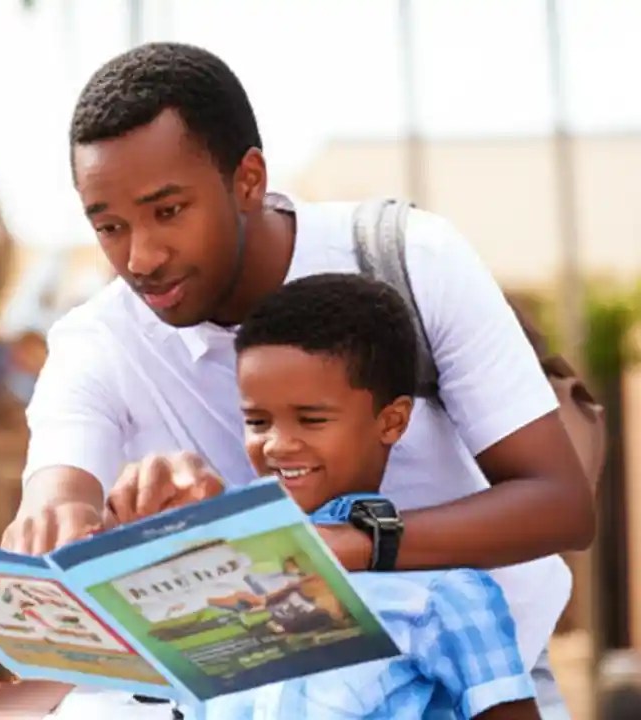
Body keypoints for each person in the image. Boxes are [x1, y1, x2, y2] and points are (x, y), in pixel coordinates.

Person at [0, 42, 593, 718]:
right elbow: (57, 502)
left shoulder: (409, 259)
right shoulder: (96, 342)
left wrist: (339, 545)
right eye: (109, 227)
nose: (141, 256)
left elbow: (560, 504)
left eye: (167, 212)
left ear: (247, 179)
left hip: (471, 687)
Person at [198, 272, 539, 719]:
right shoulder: (224, 581)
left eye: (312, 420)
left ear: (392, 421)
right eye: (258, 421)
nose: (276, 445)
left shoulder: (442, 595)